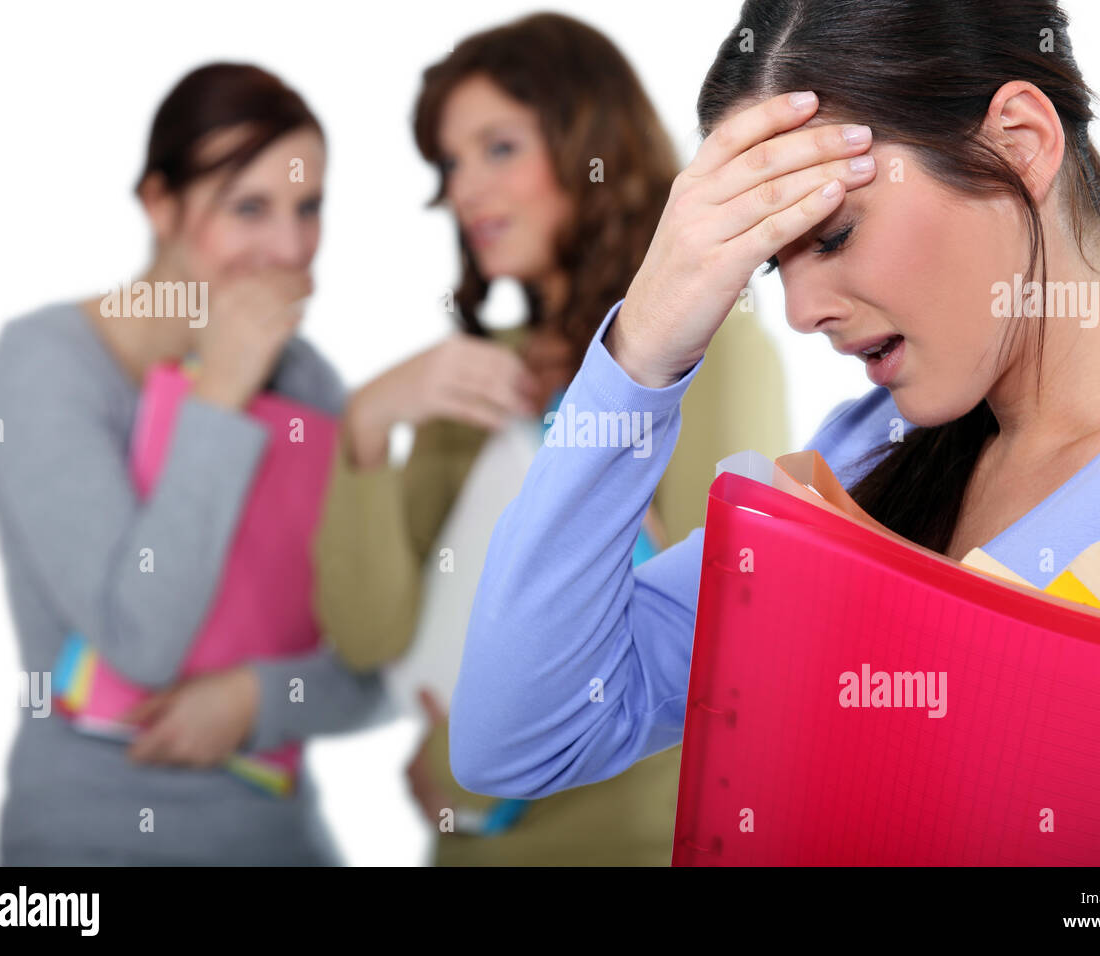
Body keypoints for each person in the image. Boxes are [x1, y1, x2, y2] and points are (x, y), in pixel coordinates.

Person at [449, 0, 1100, 861]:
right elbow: (522, 737)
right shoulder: (864, 457)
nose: (798, 313)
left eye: (833, 234)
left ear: (1018, 143)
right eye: (771, 261)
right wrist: (638, 351)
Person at [313, 12, 789, 865]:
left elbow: (730, 618)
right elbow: (369, 635)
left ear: (589, 144)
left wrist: (467, 768)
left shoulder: (717, 347)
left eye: (498, 149)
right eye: (451, 162)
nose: (466, 189)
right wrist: (366, 424)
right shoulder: (465, 380)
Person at [0, 63, 386, 865]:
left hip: (281, 840)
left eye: (309, 207)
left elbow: (373, 669)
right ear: (159, 205)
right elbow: (141, 641)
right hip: (89, 848)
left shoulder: (307, 383)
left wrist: (253, 698)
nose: (291, 247)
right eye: (249, 208)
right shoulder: (47, 365)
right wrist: (221, 393)